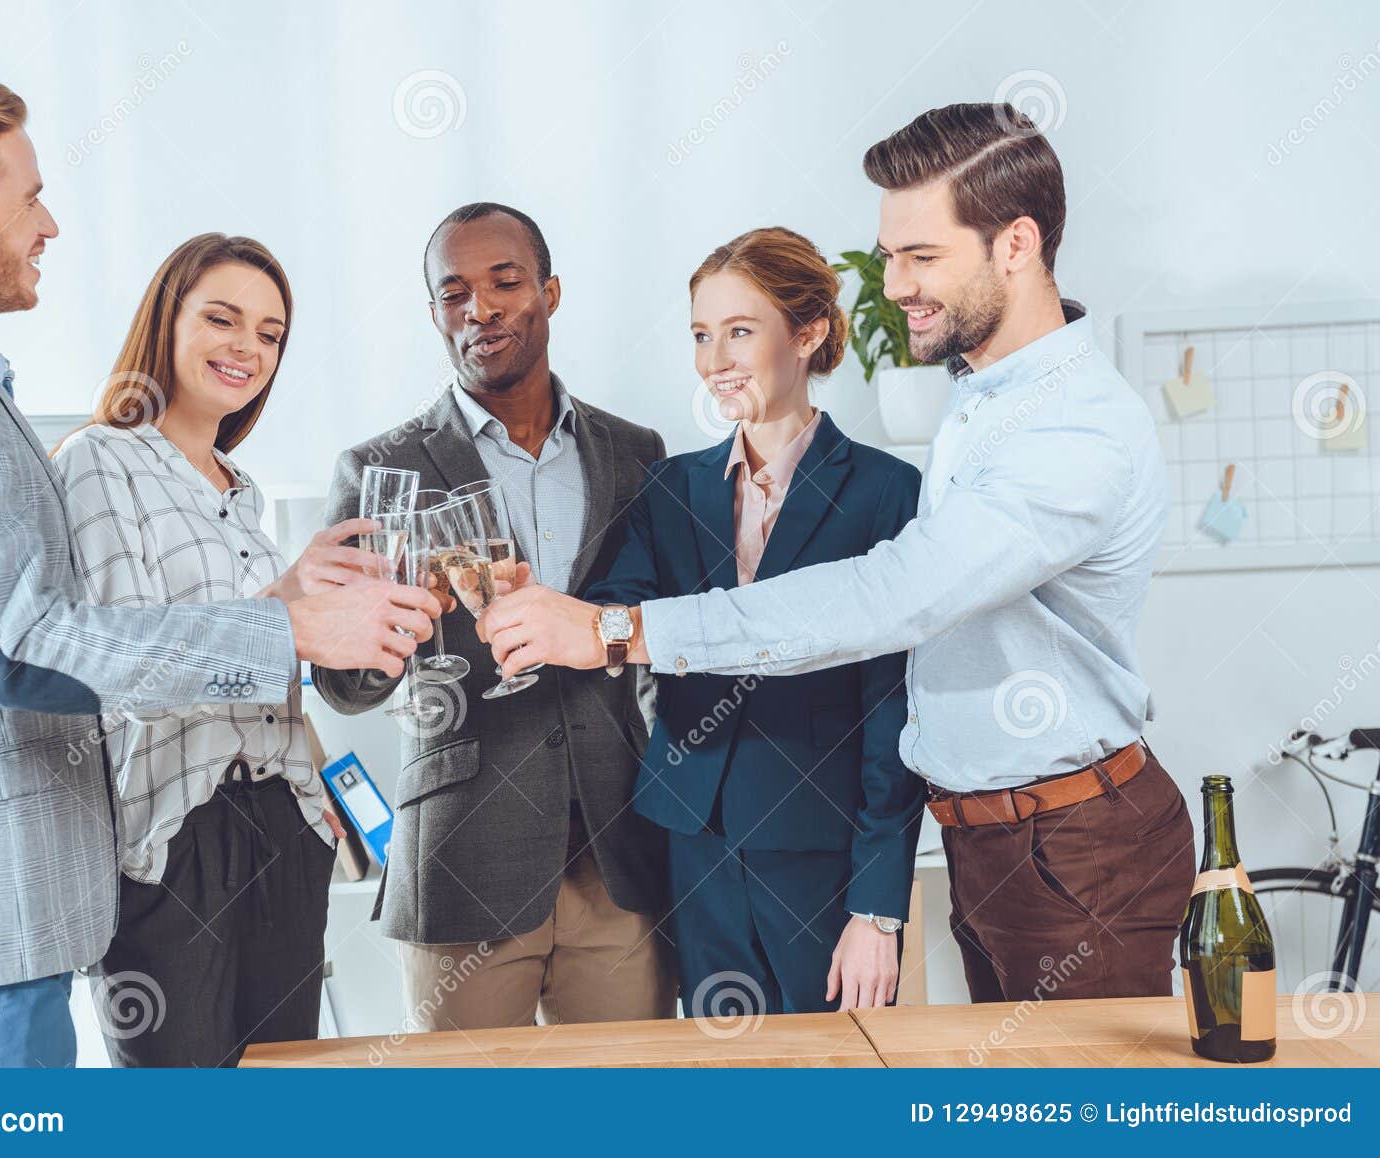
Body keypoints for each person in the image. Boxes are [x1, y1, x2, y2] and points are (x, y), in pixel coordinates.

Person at [480, 103, 1196, 1004]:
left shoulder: (1074, 428)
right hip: (994, 839)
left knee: (1083, 1115)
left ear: (1015, 243)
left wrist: (616, 631)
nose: (893, 285)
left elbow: (888, 602)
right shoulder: (984, 392)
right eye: (890, 254)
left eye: (921, 256)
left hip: (1073, 843)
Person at [0, 72, 435, 1068]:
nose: (49, 222)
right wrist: (288, 628)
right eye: (29, 197)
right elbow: (23, 645)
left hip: (19, 919)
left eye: (269, 332)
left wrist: (292, 608)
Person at [315, 202, 675, 1029]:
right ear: (435, 314)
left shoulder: (635, 453)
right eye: (454, 293)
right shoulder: (380, 466)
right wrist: (396, 623)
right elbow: (343, 684)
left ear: (548, 291)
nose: (479, 309)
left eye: (504, 282)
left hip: (617, 857)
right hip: (462, 861)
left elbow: (660, 635)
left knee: (628, 1115)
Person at [55, 234, 413, 1065]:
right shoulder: (101, 461)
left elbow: (257, 651)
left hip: (284, 825)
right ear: (164, 321)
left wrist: (319, 611)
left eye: (270, 334)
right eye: (222, 318)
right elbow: (125, 666)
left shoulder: (236, 488)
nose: (247, 348)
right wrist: (283, 614)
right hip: (177, 835)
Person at [584, 227, 924, 1014]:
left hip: (821, 850)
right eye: (702, 336)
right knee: (720, 1090)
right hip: (693, 842)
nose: (714, 361)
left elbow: (894, 708)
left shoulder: (886, 493)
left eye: (740, 331)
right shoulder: (669, 488)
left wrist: (877, 906)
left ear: (807, 334)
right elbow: (614, 614)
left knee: (832, 1086)